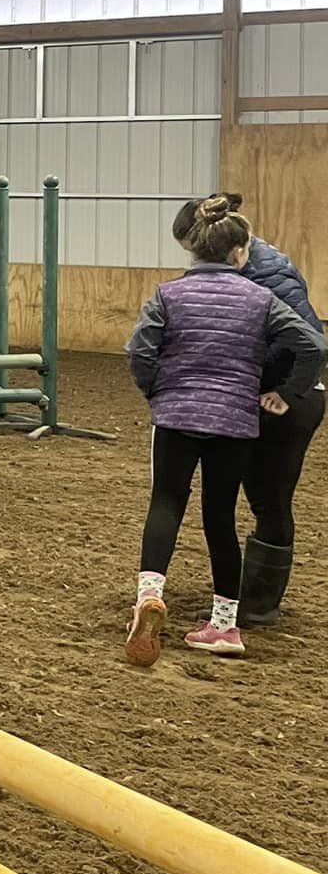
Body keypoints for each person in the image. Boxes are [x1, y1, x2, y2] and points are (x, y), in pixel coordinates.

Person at [126, 196, 325, 665]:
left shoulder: (168, 295)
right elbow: (314, 343)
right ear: (240, 253)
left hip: (177, 415)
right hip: (235, 418)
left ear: (193, 251)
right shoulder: (262, 297)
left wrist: (155, 390)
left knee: (166, 503)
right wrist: (286, 392)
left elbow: (139, 351)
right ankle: (225, 624)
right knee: (221, 516)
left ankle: (149, 596)